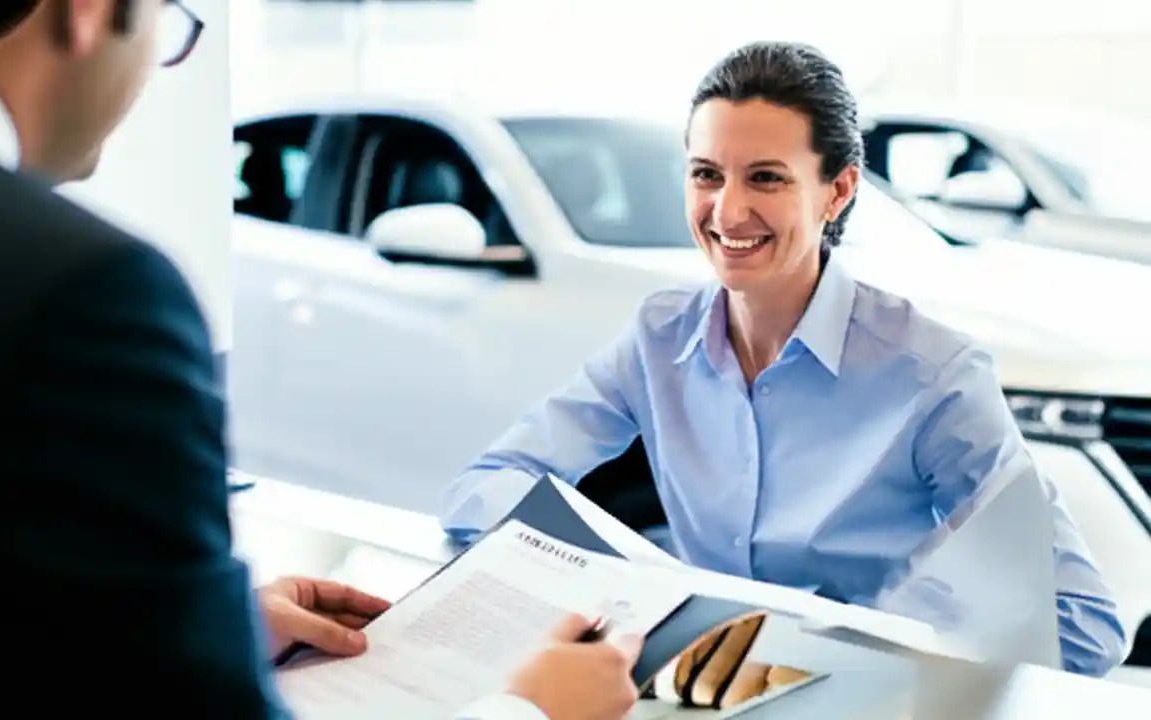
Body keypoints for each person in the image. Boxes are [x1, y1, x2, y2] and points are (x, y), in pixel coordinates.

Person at [0, 2, 642, 718]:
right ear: (89, 10)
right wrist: (531, 711)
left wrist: (193, 623)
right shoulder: (75, 287)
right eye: (170, 22)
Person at [440, 40, 1128, 677]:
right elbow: (487, 486)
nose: (727, 211)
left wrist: (879, 653)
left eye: (766, 178)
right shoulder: (658, 336)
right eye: (707, 174)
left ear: (838, 191)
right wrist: (624, 585)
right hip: (699, 687)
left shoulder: (933, 375)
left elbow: (1082, 626)